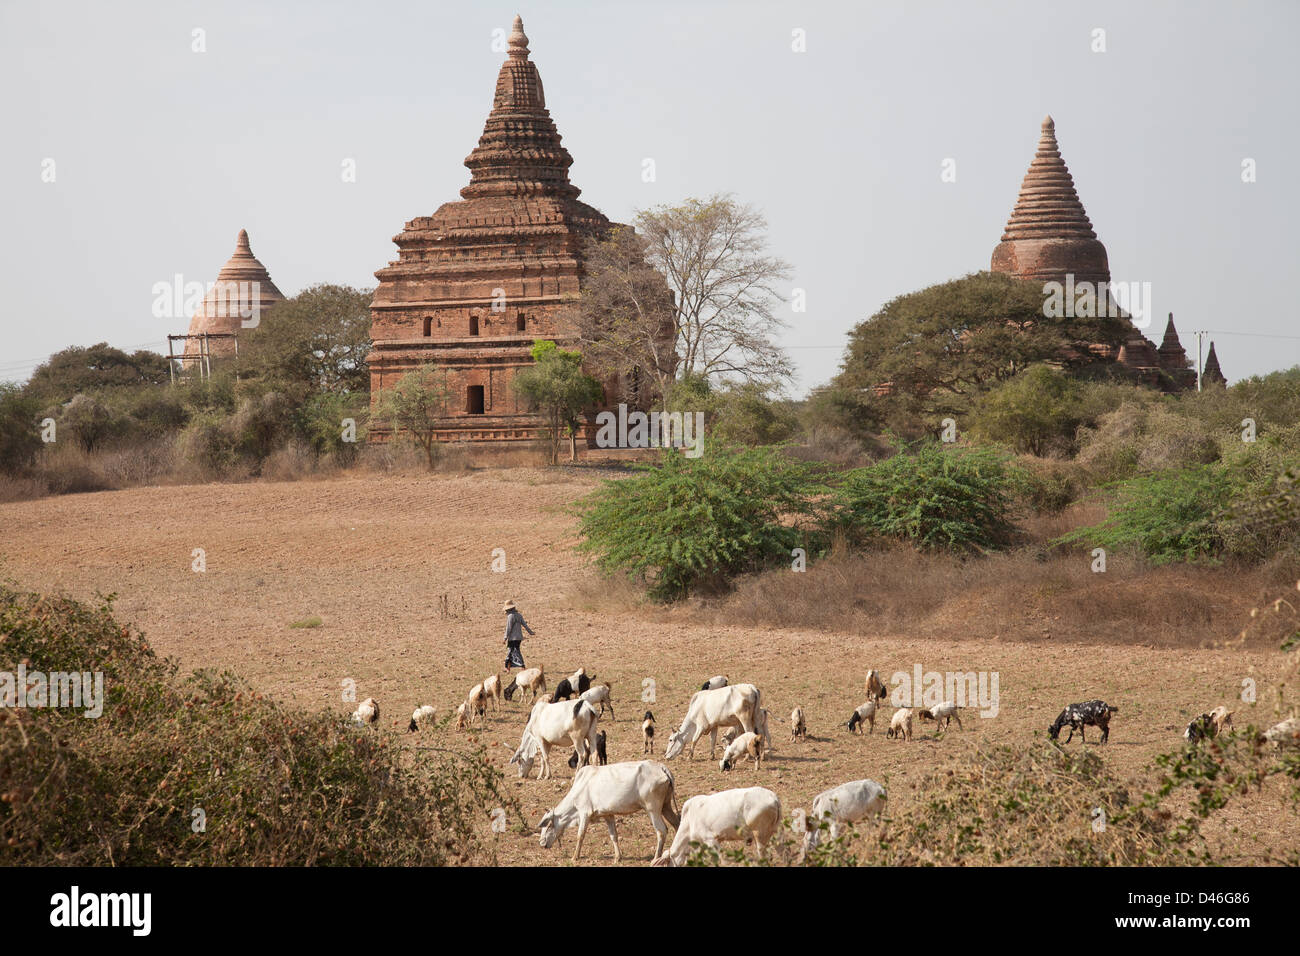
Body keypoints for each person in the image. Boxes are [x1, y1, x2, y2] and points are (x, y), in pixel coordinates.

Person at [502, 600, 533, 671]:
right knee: (511, 652)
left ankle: (522, 666)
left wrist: (505, 638)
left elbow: (508, 628)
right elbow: (524, 624)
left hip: (512, 638)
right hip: (519, 637)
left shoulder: (510, 616)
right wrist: (530, 632)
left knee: (514, 651)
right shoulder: (519, 615)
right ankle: (507, 668)